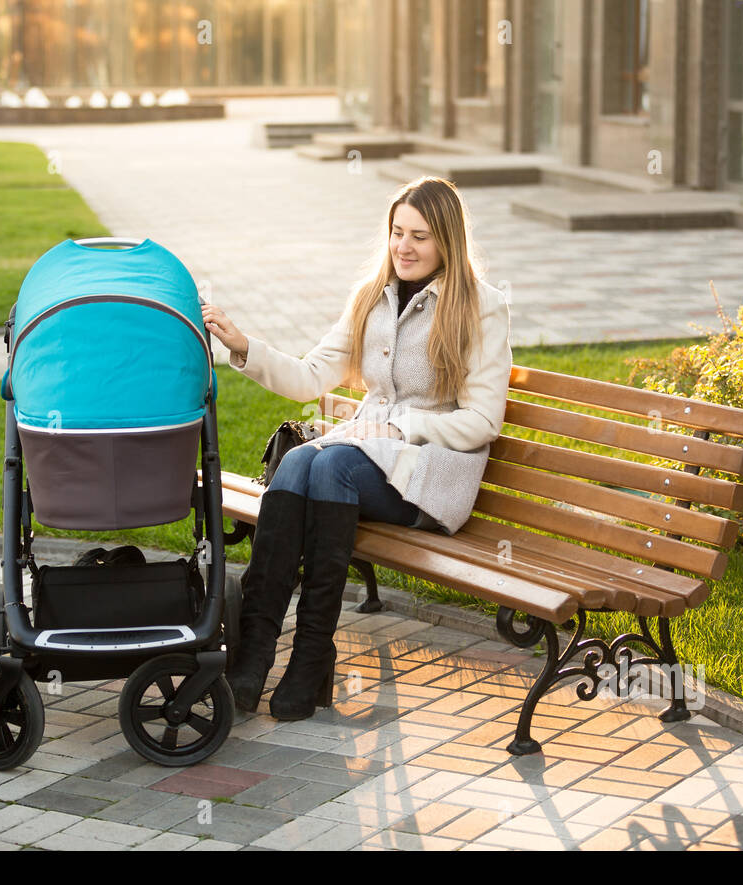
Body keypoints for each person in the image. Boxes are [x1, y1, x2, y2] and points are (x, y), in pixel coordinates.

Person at [200, 176, 513, 721]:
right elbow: (310, 376)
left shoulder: (479, 307)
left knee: (334, 464)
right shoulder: (372, 296)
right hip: (363, 460)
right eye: (397, 232)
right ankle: (253, 657)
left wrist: (401, 429)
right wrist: (242, 344)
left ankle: (310, 656)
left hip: (431, 475)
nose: (404, 247)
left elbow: (483, 421)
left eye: (420, 236)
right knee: (300, 461)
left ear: (448, 241)